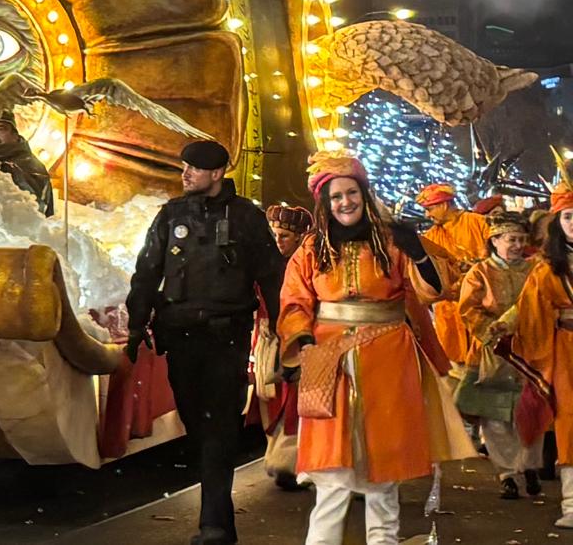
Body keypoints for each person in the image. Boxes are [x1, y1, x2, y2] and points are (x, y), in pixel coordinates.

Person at [279, 152, 472, 545]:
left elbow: (433, 291)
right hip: (327, 362)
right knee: (330, 476)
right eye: (336, 197)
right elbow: (294, 301)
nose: (345, 202)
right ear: (325, 203)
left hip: (389, 357)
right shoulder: (312, 248)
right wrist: (302, 341)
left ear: (364, 196)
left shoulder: (391, 242)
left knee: (384, 474)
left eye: (351, 193)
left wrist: (417, 252)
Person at [125, 139, 284, 545]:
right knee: (198, 425)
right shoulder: (170, 216)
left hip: (225, 336)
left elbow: (272, 277)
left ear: (217, 173)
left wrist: (285, 330)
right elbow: (146, 272)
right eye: (184, 167)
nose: (186, 174)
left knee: (218, 428)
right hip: (179, 337)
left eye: (194, 168)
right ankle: (217, 517)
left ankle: (214, 525)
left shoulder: (246, 218)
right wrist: (136, 323)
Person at [456, 213, 540, 499]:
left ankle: (529, 465)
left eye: (521, 240)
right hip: (492, 353)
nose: (517, 245)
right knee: (494, 417)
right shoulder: (480, 272)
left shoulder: (536, 269)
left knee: (531, 411)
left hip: (530, 351)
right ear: (494, 240)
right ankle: (507, 473)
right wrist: (492, 334)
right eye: (511, 239)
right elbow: (468, 309)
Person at [508, 181, 573, 528]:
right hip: (564, 350)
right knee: (570, 423)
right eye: (568, 216)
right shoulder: (547, 268)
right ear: (557, 222)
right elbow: (531, 313)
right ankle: (572, 503)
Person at [254, 203, 311, 491]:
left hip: (295, 341)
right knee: (270, 398)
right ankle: (279, 457)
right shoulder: (265, 262)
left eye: (284, 236)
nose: (278, 241)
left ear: (301, 237)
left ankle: (289, 460)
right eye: (274, 235)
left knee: (292, 402)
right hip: (267, 338)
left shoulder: (306, 264)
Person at [418, 182, 494, 371]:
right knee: (456, 367)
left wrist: (476, 267)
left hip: (482, 305)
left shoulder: (478, 223)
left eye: (430, 209)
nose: (427, 215)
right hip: (450, 310)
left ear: (444, 205)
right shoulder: (430, 238)